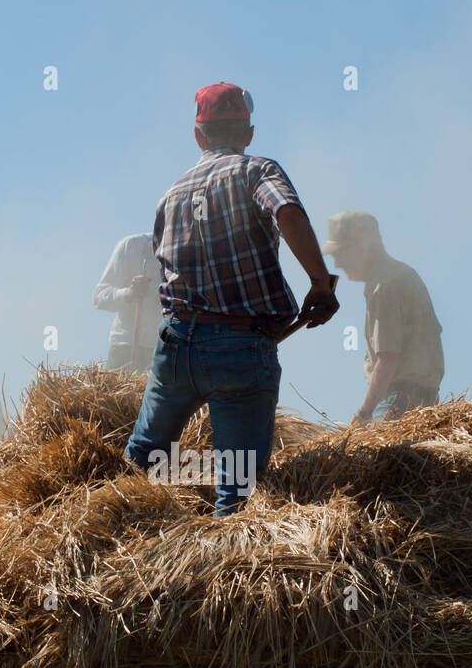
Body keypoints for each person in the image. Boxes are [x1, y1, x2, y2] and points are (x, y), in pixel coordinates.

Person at [124, 82, 339, 515]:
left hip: (176, 344)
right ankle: (221, 564)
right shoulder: (256, 170)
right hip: (241, 347)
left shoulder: (170, 194)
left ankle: (119, 537)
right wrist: (318, 281)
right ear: (248, 133)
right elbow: (287, 211)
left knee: (143, 458)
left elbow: (164, 263)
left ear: (198, 136)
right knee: (238, 487)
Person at [323, 211, 444, 424]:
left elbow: (388, 359)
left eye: (339, 253)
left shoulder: (383, 286)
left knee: (372, 457)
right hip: (425, 399)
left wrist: (364, 413)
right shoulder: (402, 273)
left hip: (399, 400)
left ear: (361, 247)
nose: (337, 264)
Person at [93, 233, 162, 372]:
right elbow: (99, 296)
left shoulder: (188, 254)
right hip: (126, 347)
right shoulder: (131, 246)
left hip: (164, 351)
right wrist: (128, 293)